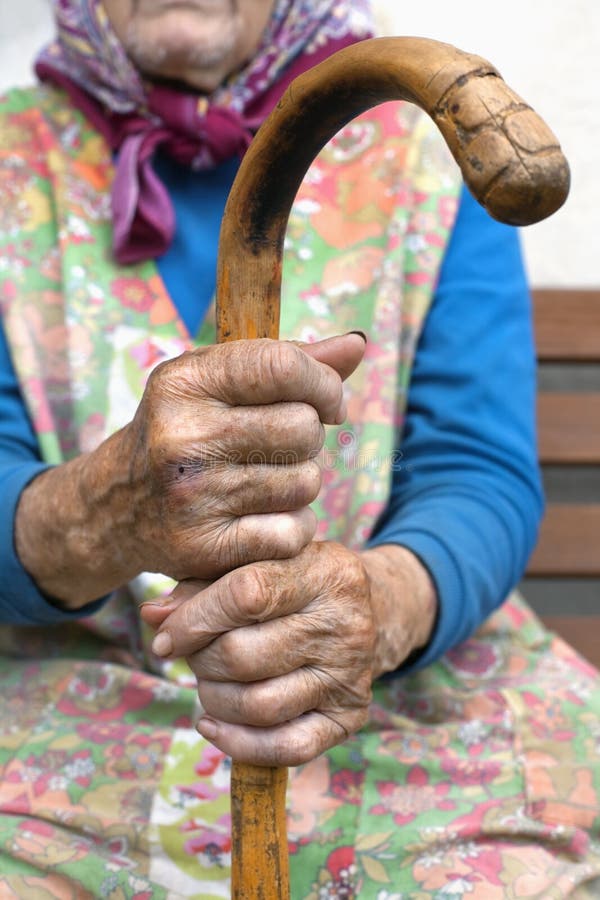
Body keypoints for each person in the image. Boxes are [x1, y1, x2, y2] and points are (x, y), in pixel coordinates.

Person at [0, 0, 599, 896]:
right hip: (68, 697)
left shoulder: (419, 155)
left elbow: (476, 472)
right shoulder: (12, 165)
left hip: (394, 695)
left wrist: (380, 605)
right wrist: (101, 511)